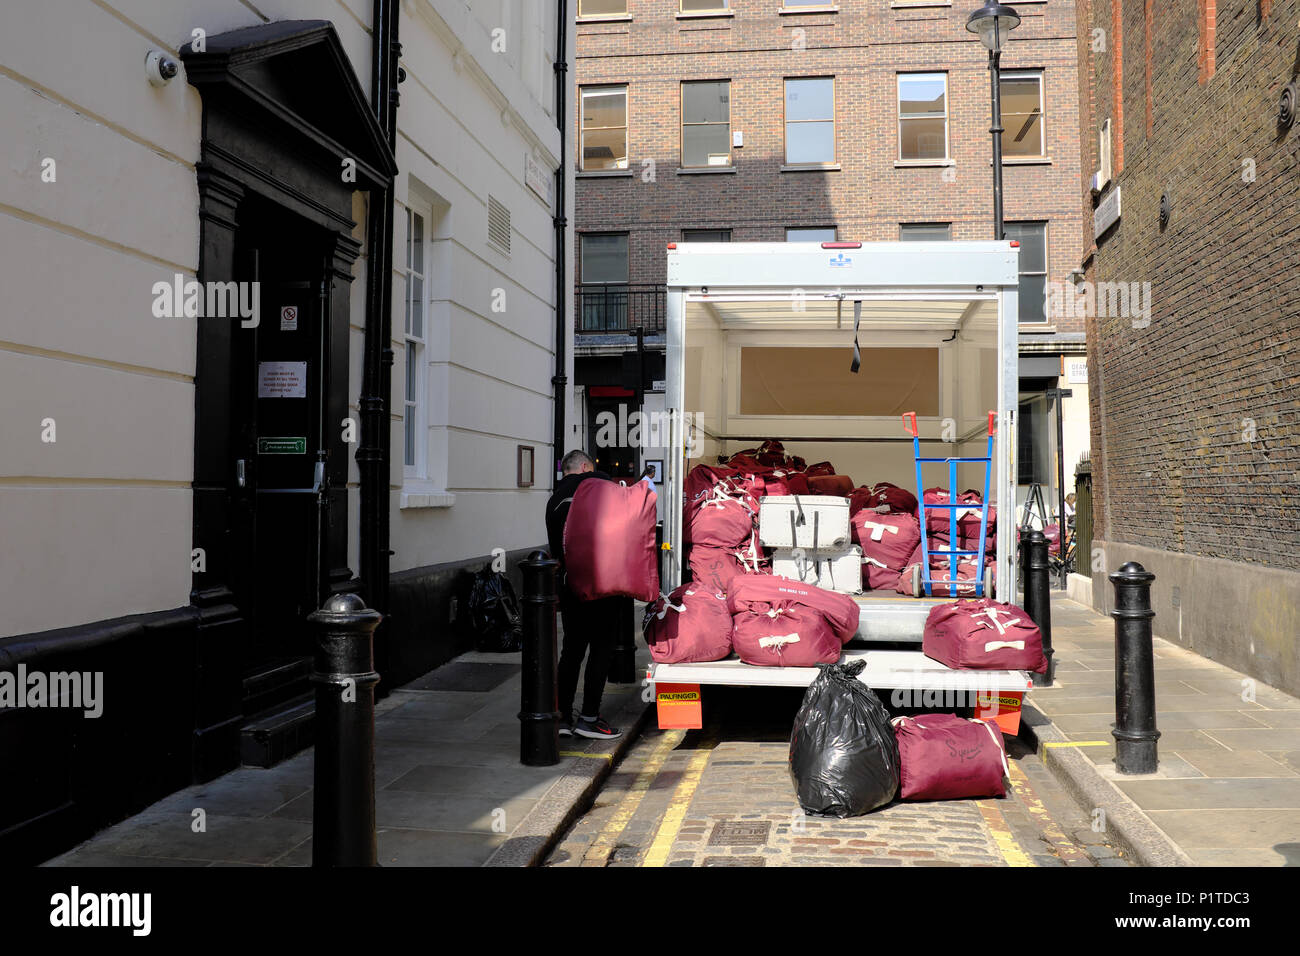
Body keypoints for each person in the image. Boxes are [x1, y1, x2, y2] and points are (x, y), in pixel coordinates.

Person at [545, 449, 635, 740]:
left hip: (571, 584)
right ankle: (589, 718)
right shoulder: (602, 488)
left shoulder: (554, 499)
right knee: (601, 649)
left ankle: (560, 717)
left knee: (571, 651)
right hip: (603, 584)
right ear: (586, 467)